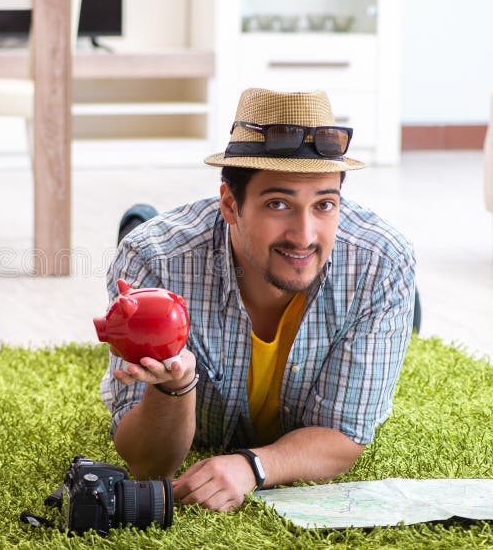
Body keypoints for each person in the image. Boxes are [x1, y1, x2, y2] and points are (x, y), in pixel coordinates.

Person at [99, 88, 416, 512]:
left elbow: (345, 432)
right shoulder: (154, 260)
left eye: (324, 204)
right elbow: (147, 464)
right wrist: (174, 388)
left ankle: (407, 308)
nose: (304, 235)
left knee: (395, 303)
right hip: (185, 255)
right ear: (230, 204)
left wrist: (254, 466)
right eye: (278, 203)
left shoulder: (381, 263)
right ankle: (142, 218)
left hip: (367, 282)